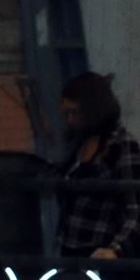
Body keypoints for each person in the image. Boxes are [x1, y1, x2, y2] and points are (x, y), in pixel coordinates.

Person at [54, 72, 140, 262]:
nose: (70, 120)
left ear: (93, 110)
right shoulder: (78, 143)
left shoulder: (122, 146)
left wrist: (116, 249)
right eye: (66, 114)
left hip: (102, 252)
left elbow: (135, 208)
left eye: (74, 113)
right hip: (70, 248)